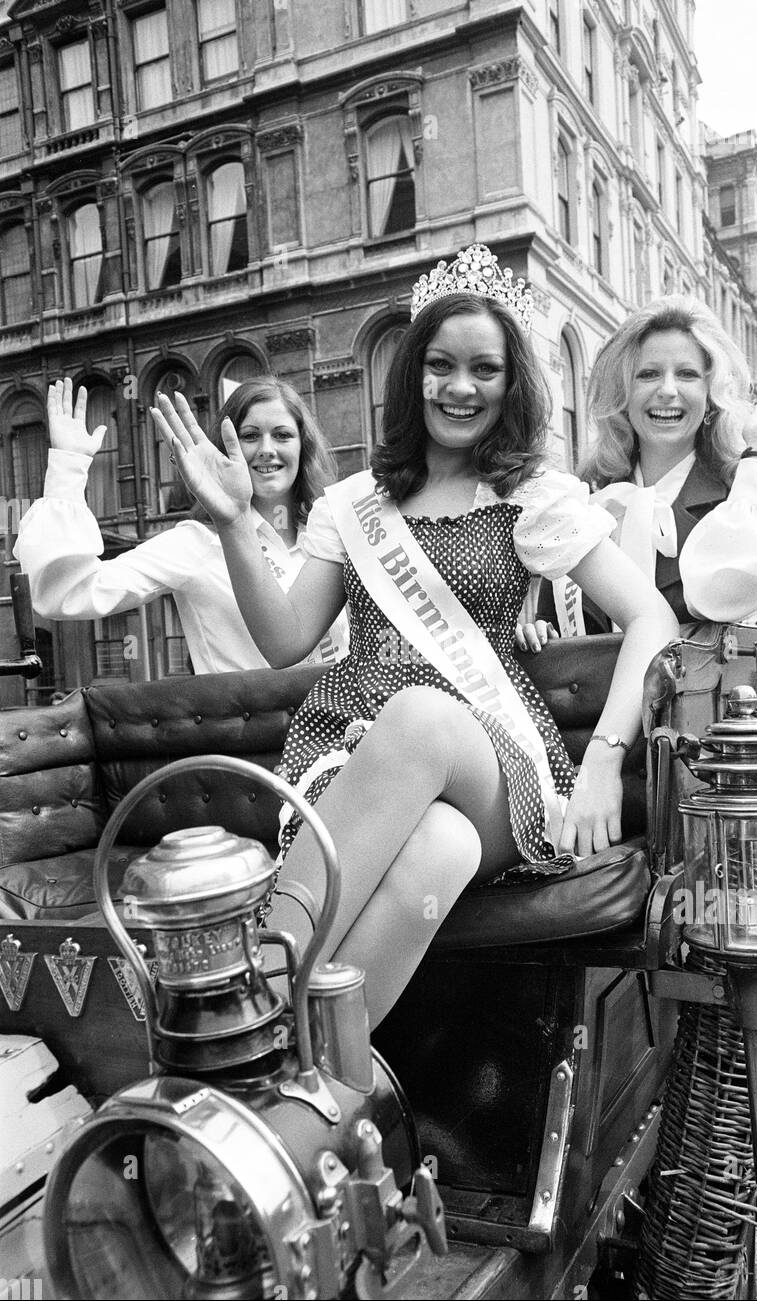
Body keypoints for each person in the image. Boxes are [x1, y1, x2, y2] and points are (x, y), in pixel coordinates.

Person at [152, 244, 679, 1027]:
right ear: (412, 374)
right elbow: (284, 639)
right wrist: (232, 522)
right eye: (440, 364)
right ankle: (319, 1079)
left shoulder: (528, 495)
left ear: (510, 384)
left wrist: (602, 758)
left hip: (491, 760)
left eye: (485, 370)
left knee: (423, 715)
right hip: (354, 756)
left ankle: (244, 997)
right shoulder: (352, 502)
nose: (460, 387)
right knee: (438, 846)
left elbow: (652, 619)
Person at [536, 296, 757, 636]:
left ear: (711, 394)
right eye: (648, 374)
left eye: (687, 374)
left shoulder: (743, 499)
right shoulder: (585, 499)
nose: (667, 390)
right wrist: (539, 636)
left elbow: (722, 602)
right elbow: (557, 635)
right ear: (624, 393)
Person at [14, 375, 349, 673]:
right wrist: (68, 466)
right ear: (225, 447)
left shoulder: (330, 536)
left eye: (282, 435)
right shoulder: (197, 545)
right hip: (254, 737)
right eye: (249, 436)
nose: (266, 450)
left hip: (345, 733)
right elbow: (69, 594)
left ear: (303, 446)